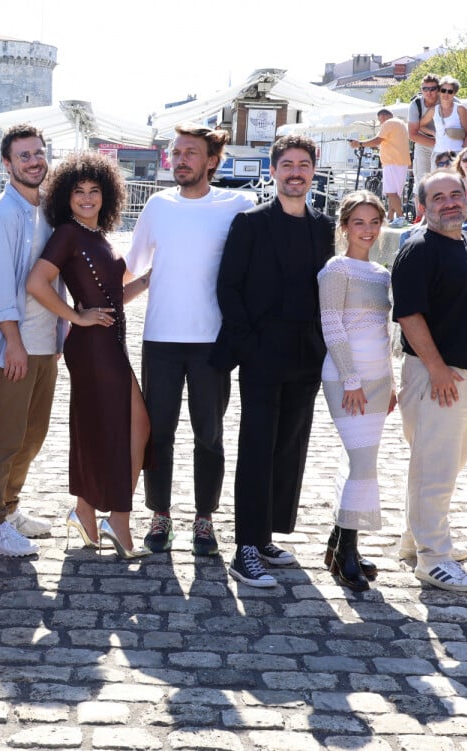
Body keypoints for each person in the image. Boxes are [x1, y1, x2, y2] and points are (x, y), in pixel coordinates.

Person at [124, 123, 254, 556]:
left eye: (190, 153)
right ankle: (159, 515)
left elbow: (253, 272)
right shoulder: (158, 206)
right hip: (159, 337)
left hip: (212, 342)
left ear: (211, 160)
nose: (179, 160)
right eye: (176, 153)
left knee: (209, 435)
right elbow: (131, 267)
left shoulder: (239, 205)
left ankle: (204, 519)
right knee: (158, 433)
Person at [211, 134, 334, 588]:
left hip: (306, 353)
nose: (296, 172)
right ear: (274, 169)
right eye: (288, 165)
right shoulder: (250, 223)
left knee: (290, 448)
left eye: (304, 164)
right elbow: (229, 287)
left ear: (313, 170)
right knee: (258, 447)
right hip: (262, 352)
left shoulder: (323, 225)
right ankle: (245, 547)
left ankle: (265, 537)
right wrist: (248, 346)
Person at [26, 151, 150, 559]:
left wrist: (147, 280)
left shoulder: (97, 237)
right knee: (124, 428)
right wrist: (75, 317)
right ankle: (117, 519)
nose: (86, 198)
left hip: (109, 341)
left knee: (115, 428)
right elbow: (37, 283)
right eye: (78, 191)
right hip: (92, 346)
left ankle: (86, 512)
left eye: (95, 191)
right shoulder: (67, 233)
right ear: (66, 196)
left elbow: (112, 297)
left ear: (107, 195)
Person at [392, 169, 467, 592]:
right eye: (439, 197)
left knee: (444, 467)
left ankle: (415, 540)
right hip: (437, 375)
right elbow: (409, 314)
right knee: (433, 470)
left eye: (456, 193)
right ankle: (432, 558)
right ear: (423, 206)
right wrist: (437, 370)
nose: (450, 202)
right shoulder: (418, 248)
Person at [0, 123, 61, 557]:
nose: (33, 161)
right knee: (4, 434)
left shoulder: (49, 209)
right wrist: (13, 342)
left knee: (33, 435)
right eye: (23, 155)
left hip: (46, 342)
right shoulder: (2, 213)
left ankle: (8, 508)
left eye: (38, 153)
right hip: (15, 344)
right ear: (6, 164)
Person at [318, 191, 396, 592]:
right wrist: (351, 379)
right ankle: (346, 552)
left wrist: (391, 382)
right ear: (345, 226)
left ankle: (339, 545)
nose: (367, 230)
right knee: (363, 465)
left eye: (374, 222)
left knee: (362, 463)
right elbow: (332, 326)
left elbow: (385, 334)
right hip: (347, 381)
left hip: (379, 381)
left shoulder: (382, 274)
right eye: (359, 222)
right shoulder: (336, 269)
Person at [348, 109, 410, 226]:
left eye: (379, 120)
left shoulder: (389, 123)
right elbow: (389, 143)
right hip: (400, 162)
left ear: (382, 116)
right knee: (395, 193)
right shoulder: (401, 124)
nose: (380, 123)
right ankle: (391, 217)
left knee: (391, 192)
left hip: (392, 162)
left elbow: (377, 140)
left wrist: (359, 143)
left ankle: (401, 217)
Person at [420, 76, 467, 162]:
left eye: (450, 91)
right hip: (438, 153)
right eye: (443, 90)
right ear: (439, 92)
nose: (446, 94)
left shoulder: (460, 109)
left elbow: (464, 132)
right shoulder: (433, 110)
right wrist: (433, 133)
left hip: (457, 153)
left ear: (454, 93)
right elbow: (420, 126)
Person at [408, 75, 441, 194]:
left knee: (438, 180)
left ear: (439, 89)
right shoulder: (416, 104)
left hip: (443, 145)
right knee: (421, 183)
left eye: (432, 89)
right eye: (425, 89)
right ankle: (420, 212)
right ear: (421, 90)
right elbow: (412, 134)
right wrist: (435, 141)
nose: (429, 92)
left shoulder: (449, 100)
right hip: (423, 142)